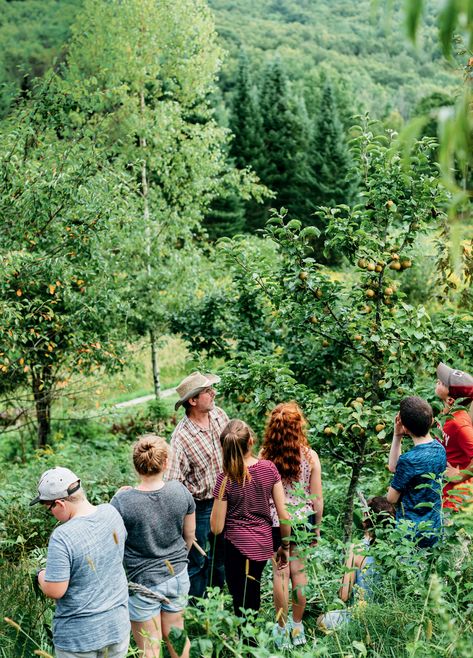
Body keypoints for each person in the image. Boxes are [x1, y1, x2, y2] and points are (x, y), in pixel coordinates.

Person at [31, 467, 130, 658]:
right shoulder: (111, 512)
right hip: (117, 627)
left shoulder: (62, 536)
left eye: (49, 509)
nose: (51, 513)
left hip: (79, 639)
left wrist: (40, 575)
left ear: (60, 504)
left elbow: (55, 590)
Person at [111, 435, 195, 658]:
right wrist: (176, 559)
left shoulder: (122, 502)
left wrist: (117, 496)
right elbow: (190, 535)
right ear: (165, 462)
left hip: (143, 581)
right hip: (177, 574)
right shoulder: (180, 491)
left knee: (149, 648)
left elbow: (113, 543)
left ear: (136, 465)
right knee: (177, 637)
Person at [210, 419, 291, 620]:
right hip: (262, 544)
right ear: (251, 442)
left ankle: (247, 644)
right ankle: (252, 641)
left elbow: (217, 527)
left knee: (240, 598)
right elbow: (284, 515)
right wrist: (285, 546)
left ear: (224, 446)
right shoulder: (268, 469)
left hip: (235, 546)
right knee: (252, 591)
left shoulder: (225, 478)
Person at [260, 401, 323, 648]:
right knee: (300, 573)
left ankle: (281, 629)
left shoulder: (264, 457)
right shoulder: (310, 456)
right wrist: (316, 527)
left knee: (280, 572)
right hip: (302, 520)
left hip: (275, 523)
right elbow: (316, 499)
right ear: (299, 427)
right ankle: (298, 627)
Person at [167, 371, 228, 598]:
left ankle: (219, 601)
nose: (213, 393)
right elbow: (173, 482)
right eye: (206, 391)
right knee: (197, 560)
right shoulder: (181, 437)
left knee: (221, 555)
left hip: (226, 498)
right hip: (200, 507)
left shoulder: (220, 416)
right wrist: (186, 514)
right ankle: (198, 610)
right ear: (192, 401)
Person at [318, 497, 395, 630]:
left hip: (361, 617)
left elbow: (344, 595)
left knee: (321, 620)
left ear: (366, 518)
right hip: (387, 617)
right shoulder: (393, 548)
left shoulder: (357, 548)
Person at [387, 396, 446, 548]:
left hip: (410, 534)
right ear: (432, 421)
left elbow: (392, 498)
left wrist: (398, 434)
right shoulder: (440, 450)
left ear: (405, 427)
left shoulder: (409, 460)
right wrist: (397, 435)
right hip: (434, 529)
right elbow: (394, 467)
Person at [435, 362, 473, 510]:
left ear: (451, 400)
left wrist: (460, 476)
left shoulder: (460, 424)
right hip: (442, 494)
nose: (439, 380)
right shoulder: (445, 415)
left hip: (455, 501)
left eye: (443, 383)